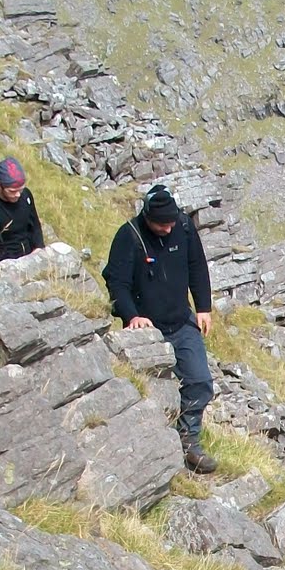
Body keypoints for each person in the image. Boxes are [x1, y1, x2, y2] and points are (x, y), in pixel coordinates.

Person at [101, 183, 218, 474]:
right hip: (146, 331)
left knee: (200, 380)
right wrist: (131, 316)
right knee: (153, 394)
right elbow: (117, 283)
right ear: (147, 216)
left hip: (182, 321)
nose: (168, 229)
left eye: (170, 223)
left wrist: (203, 307)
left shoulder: (184, 227)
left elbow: (197, 266)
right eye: (161, 225)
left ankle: (189, 441)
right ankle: (153, 450)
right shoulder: (129, 236)